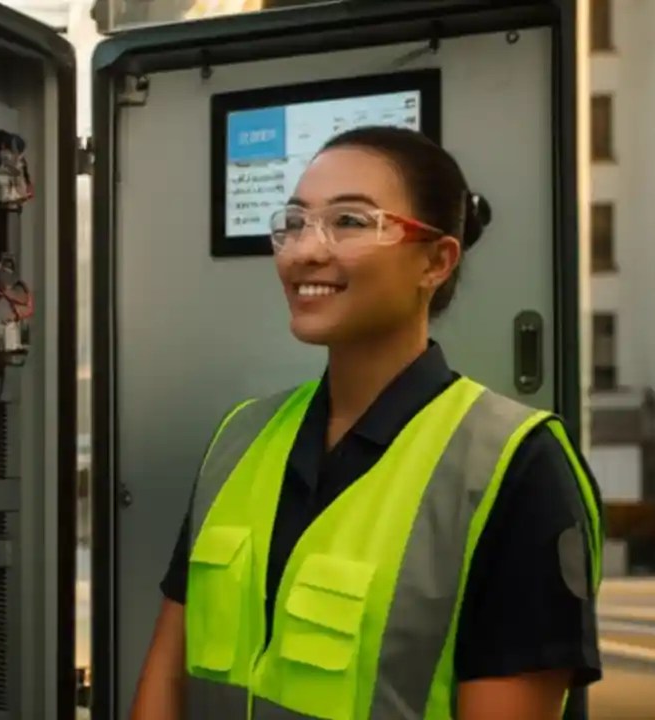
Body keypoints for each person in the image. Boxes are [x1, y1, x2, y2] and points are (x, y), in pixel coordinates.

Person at [129, 125, 604, 720]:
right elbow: (165, 681)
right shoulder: (241, 439)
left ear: (437, 261)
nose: (305, 251)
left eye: (350, 222)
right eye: (295, 222)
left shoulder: (515, 466)